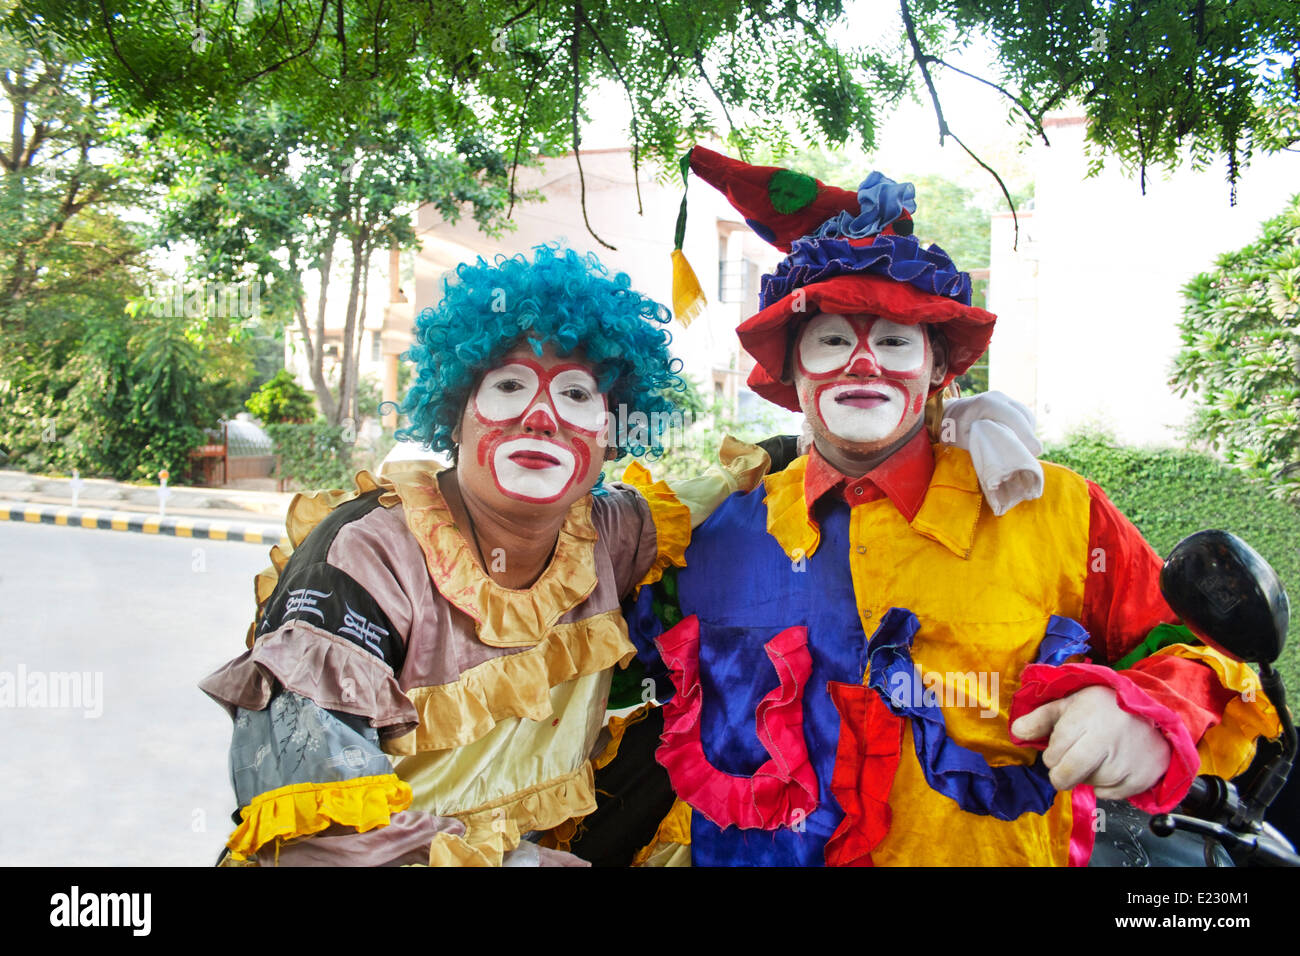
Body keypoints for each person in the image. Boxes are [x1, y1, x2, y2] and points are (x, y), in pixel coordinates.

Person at [198, 242, 1047, 866]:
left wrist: (940, 416)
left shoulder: (608, 533)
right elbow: (314, 832)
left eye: (575, 394)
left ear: (606, 434)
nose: (542, 417)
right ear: (453, 412)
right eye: (507, 388)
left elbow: (775, 461)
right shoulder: (363, 554)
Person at [625, 148, 1282, 866]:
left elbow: (1189, 648)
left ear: (940, 369)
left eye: (898, 342)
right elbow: (574, 659)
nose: (864, 363)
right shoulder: (707, 532)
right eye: (834, 340)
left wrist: (1142, 711)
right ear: (790, 371)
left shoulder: (1056, 511)